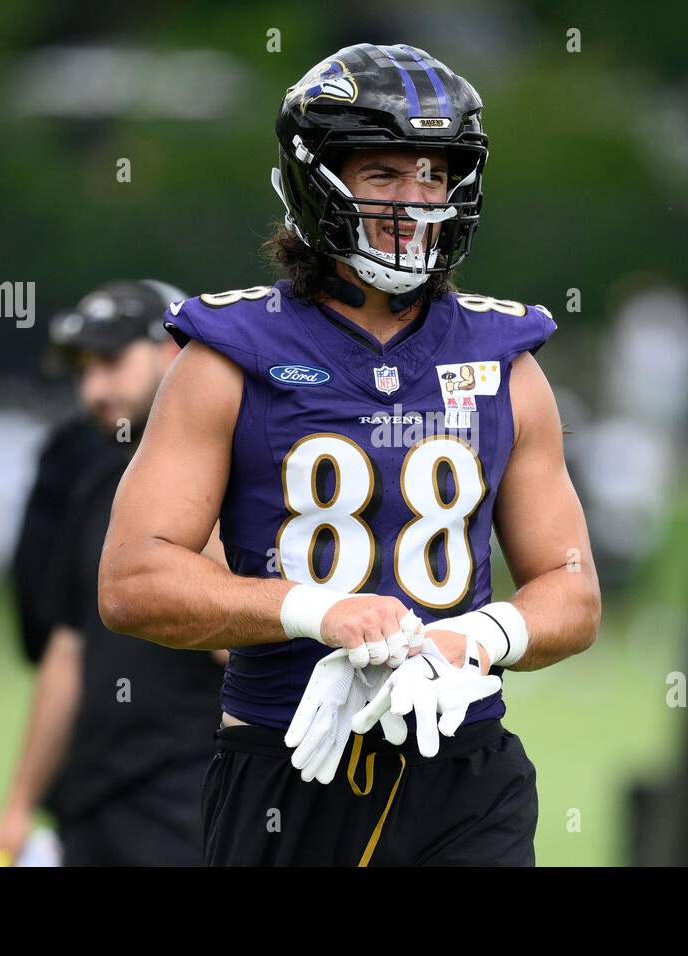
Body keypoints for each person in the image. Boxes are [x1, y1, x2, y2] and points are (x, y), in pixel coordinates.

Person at [99, 43, 601, 867]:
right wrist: (313, 611)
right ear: (316, 180)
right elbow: (132, 580)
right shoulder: (228, 355)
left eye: (433, 175)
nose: (416, 201)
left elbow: (572, 590)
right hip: (291, 762)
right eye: (383, 175)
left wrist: (477, 638)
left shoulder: (505, 358)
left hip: (463, 768)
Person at [0, 280, 227, 866]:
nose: (94, 390)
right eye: (83, 370)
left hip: (187, 806)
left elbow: (249, 651)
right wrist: (18, 806)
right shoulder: (96, 489)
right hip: (88, 810)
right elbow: (67, 654)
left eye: (112, 362)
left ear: (175, 355)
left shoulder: (236, 489)